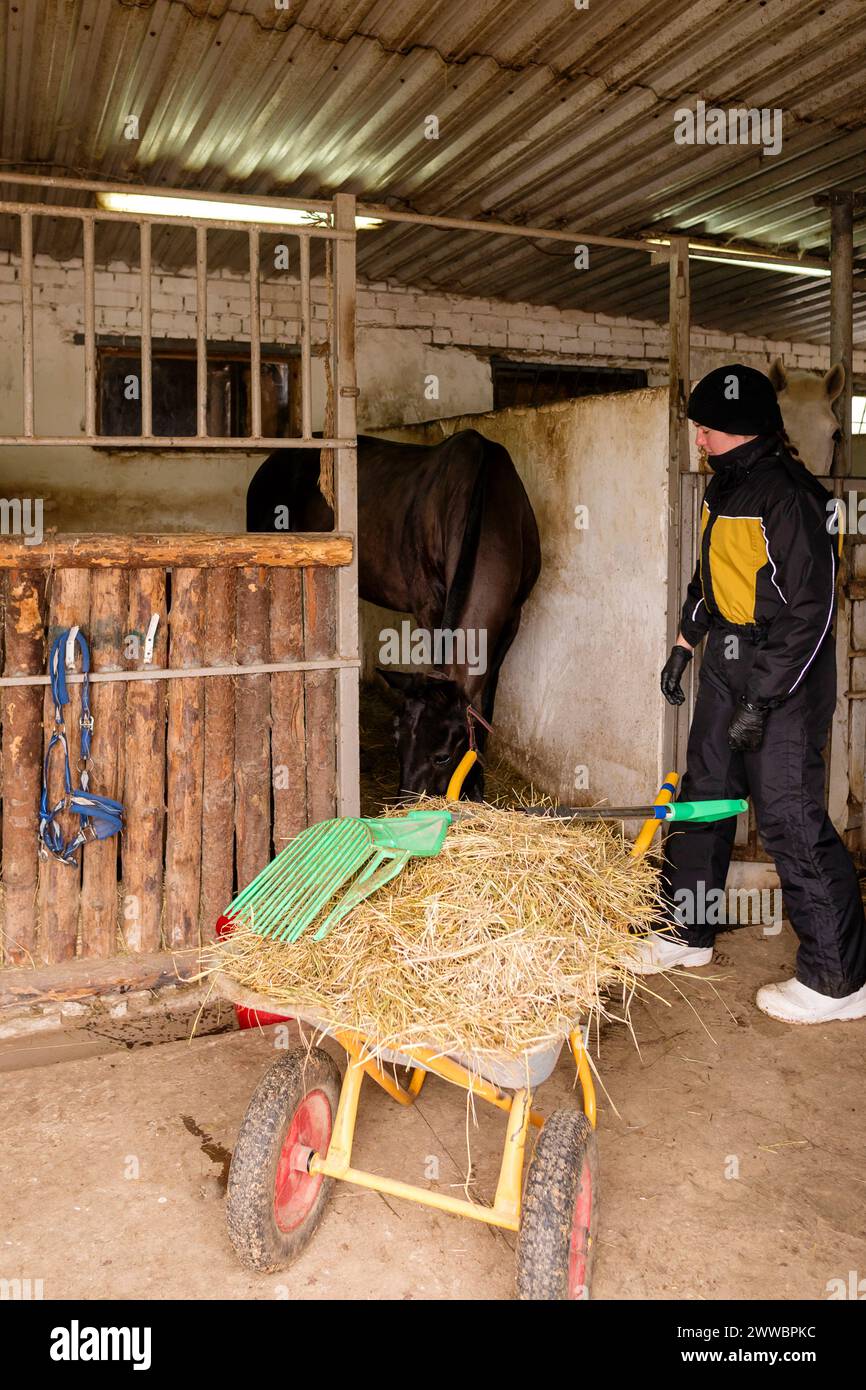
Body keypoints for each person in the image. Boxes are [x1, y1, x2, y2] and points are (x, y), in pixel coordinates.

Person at [632, 363, 866, 1023]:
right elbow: (708, 576)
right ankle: (686, 932)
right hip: (726, 661)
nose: (697, 441)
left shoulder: (793, 498)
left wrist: (764, 699)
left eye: (703, 430)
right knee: (702, 796)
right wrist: (684, 643)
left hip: (784, 674)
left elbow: (810, 615)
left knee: (789, 815)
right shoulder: (722, 488)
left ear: (733, 430)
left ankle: (838, 980)